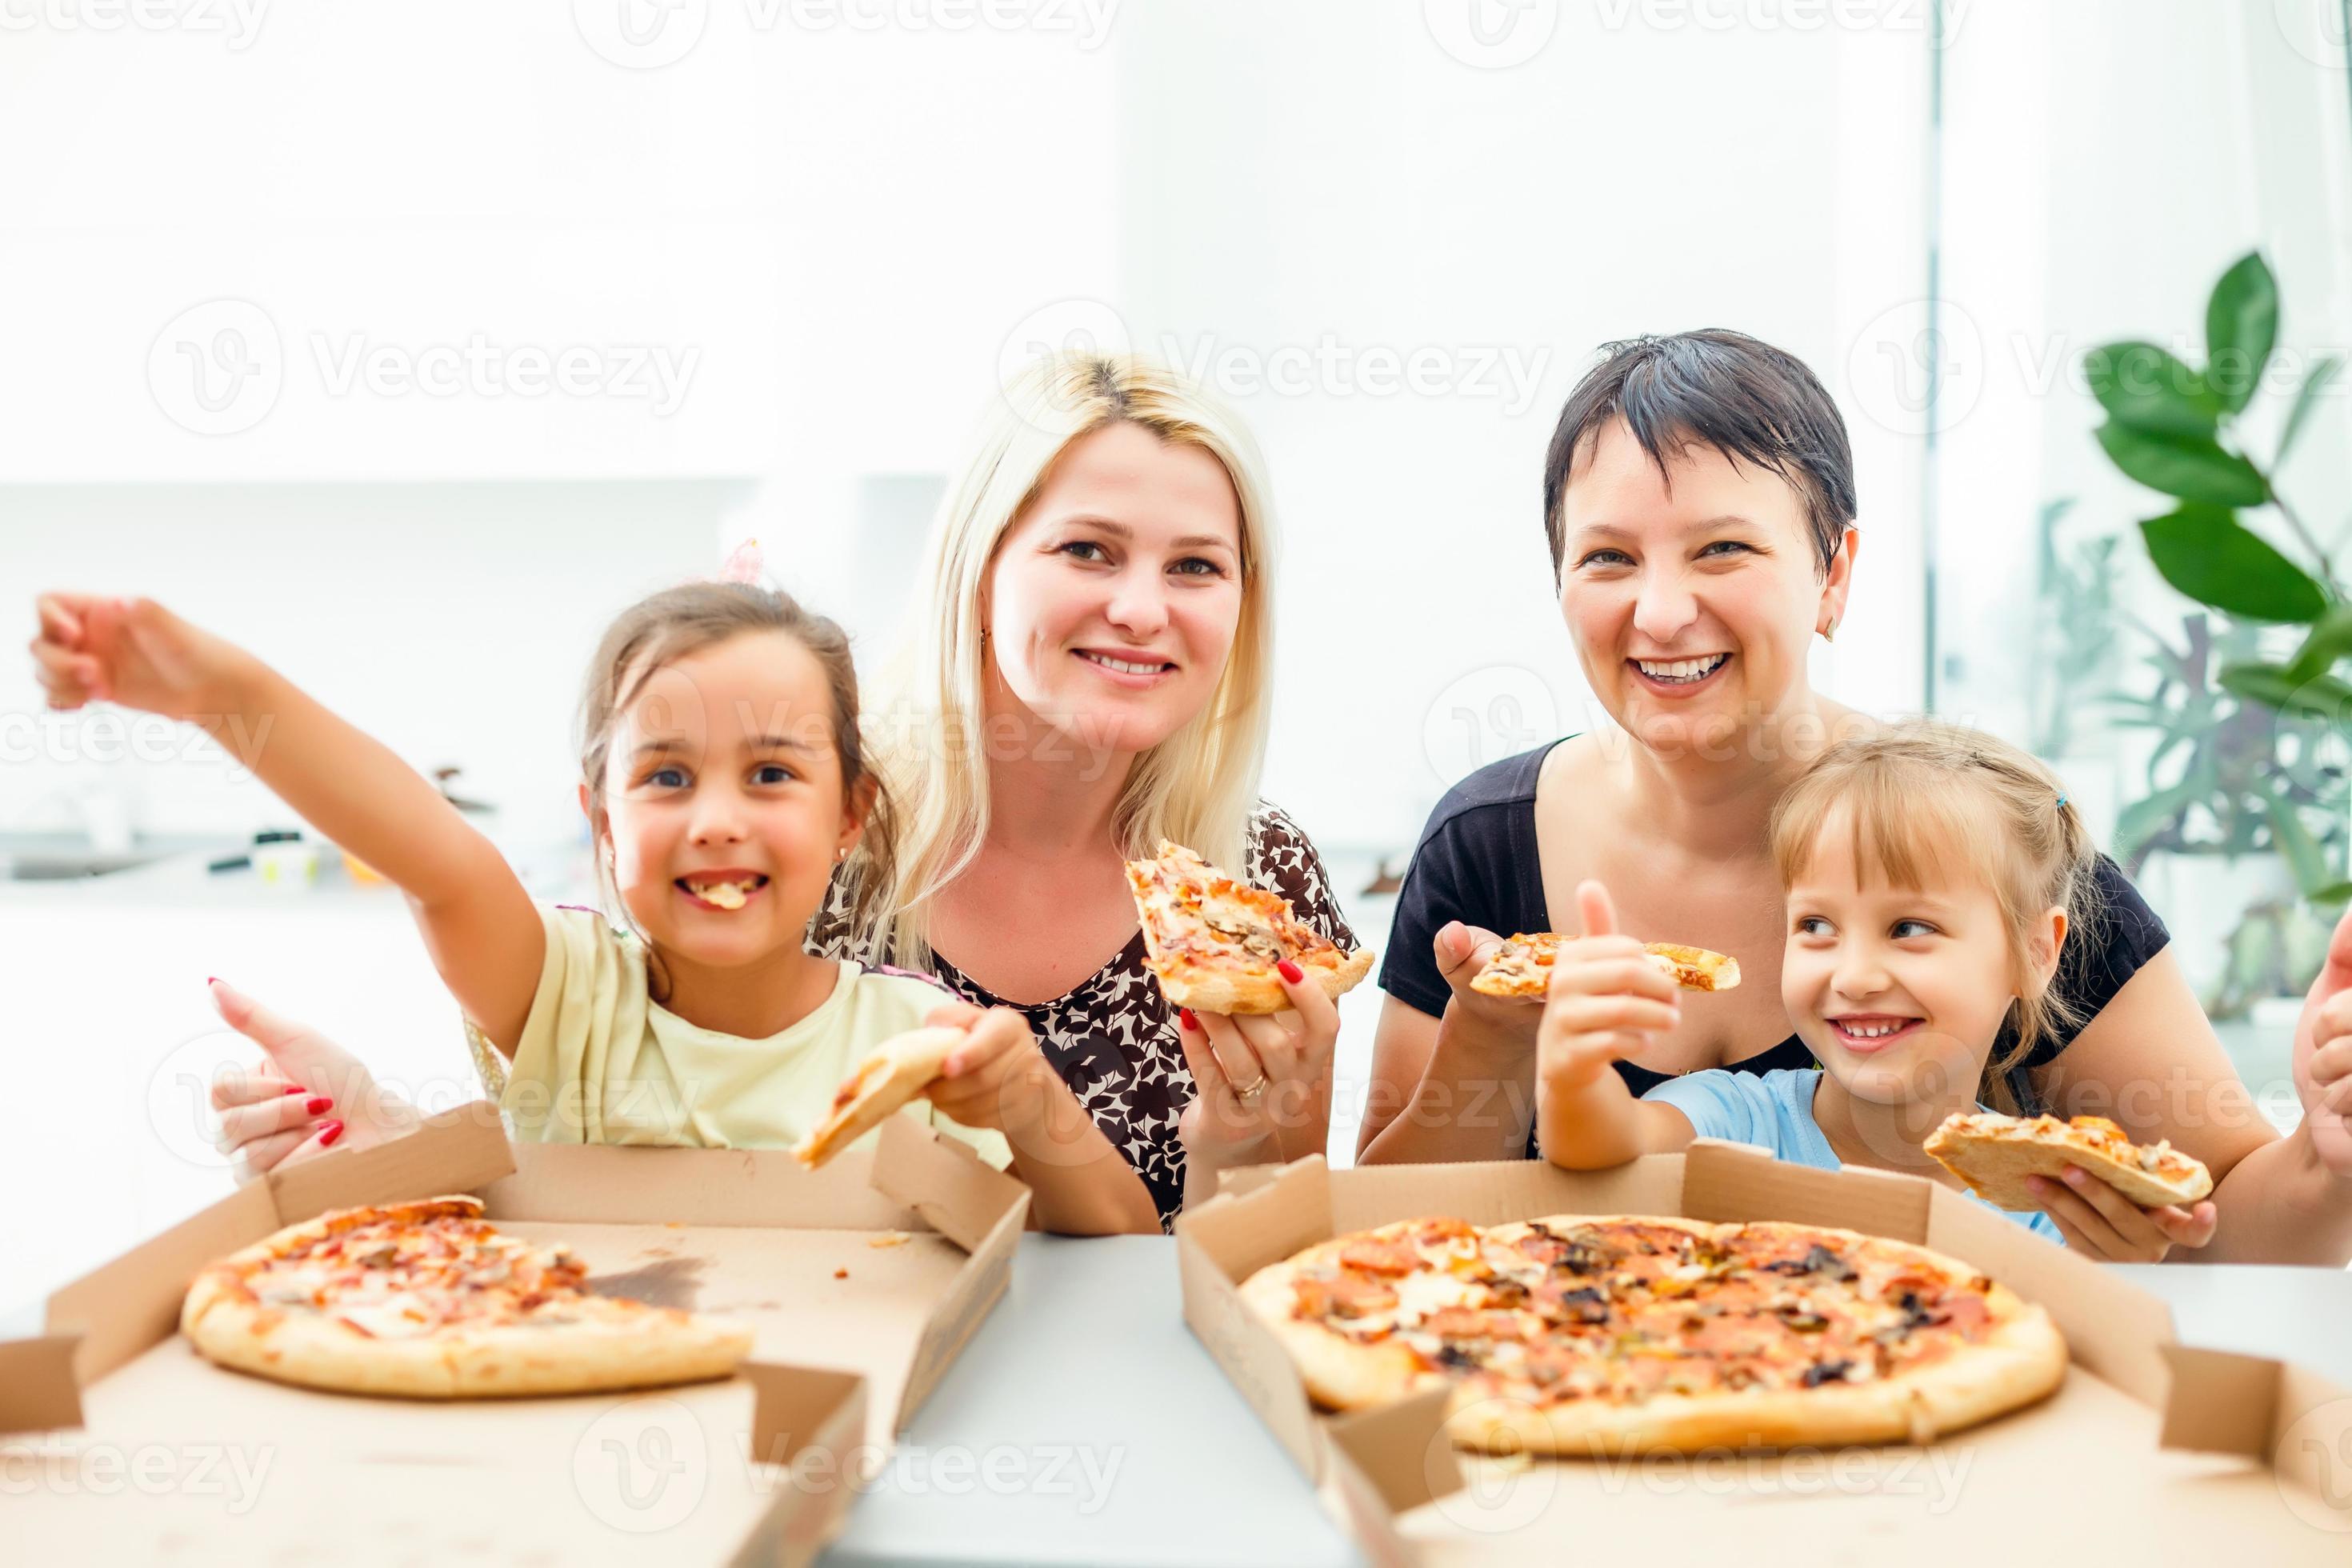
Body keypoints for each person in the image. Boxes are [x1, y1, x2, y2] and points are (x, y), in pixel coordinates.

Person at [1361, 329, 2352, 1263]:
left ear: (1833, 574)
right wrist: (1490, 1041)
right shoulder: (1480, 848)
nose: (1659, 612)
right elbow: (1373, 1237)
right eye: (1608, 557)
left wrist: (2327, 1147)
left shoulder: (1984, 833)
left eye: (1722, 548)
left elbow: (2228, 1222)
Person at [30, 578, 1154, 1233]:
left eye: (771, 773)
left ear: (851, 814)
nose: (716, 819)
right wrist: (222, 696)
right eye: (666, 776)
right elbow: (434, 857)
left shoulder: (918, 1043)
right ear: (602, 821)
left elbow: (1119, 1231)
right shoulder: (568, 1001)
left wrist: (1028, 1107)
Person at [1539, 723, 2237, 1260]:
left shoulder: (2054, 1200)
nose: (1854, 976)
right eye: (1816, 926)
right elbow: (1606, 1148)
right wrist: (1573, 1073)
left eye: (1909, 928)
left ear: (2034, 952)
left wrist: (2114, 1267)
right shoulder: (1731, 1120)